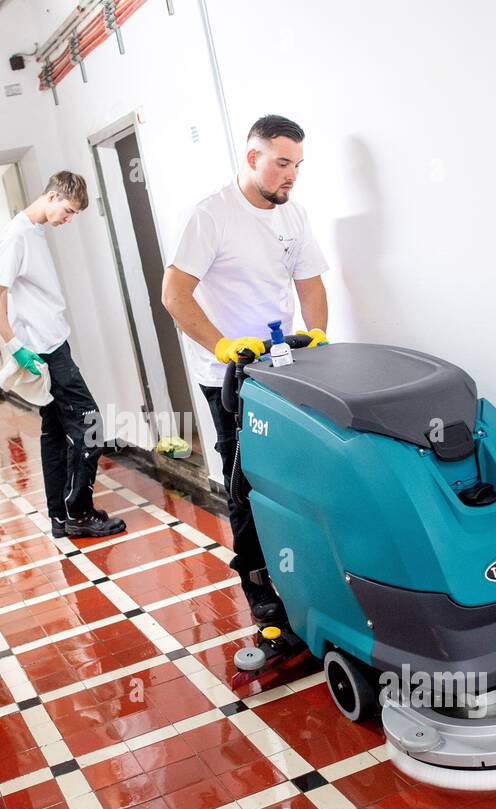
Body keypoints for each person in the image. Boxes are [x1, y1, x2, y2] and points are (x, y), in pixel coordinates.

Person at [161, 115, 330, 626]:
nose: (291, 175)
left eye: (297, 165)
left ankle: (306, 576)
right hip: (230, 378)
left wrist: (318, 336)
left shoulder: (293, 216)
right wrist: (222, 344)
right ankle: (258, 586)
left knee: (295, 474)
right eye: (282, 163)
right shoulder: (211, 216)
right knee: (245, 481)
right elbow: (174, 294)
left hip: (283, 368)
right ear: (252, 157)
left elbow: (311, 285)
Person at [0, 171, 126, 539]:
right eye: (68, 209)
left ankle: (60, 517)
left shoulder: (33, 232)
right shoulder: (15, 237)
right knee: (91, 426)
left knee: (56, 431)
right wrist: (15, 347)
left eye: (75, 213)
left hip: (52, 345)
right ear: (50, 196)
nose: (69, 218)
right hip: (45, 352)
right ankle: (79, 512)